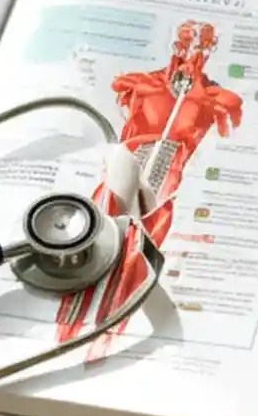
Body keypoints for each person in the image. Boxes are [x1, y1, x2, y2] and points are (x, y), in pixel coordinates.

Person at [55, 20, 243, 358]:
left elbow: (228, 134)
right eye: (186, 44)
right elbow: (115, 97)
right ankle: (63, 333)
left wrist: (201, 102)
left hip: (166, 183)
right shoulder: (140, 83)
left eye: (201, 47)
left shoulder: (217, 98)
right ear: (175, 46)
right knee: (92, 247)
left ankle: (103, 346)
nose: (191, 53)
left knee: (136, 262)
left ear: (210, 52)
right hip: (124, 169)